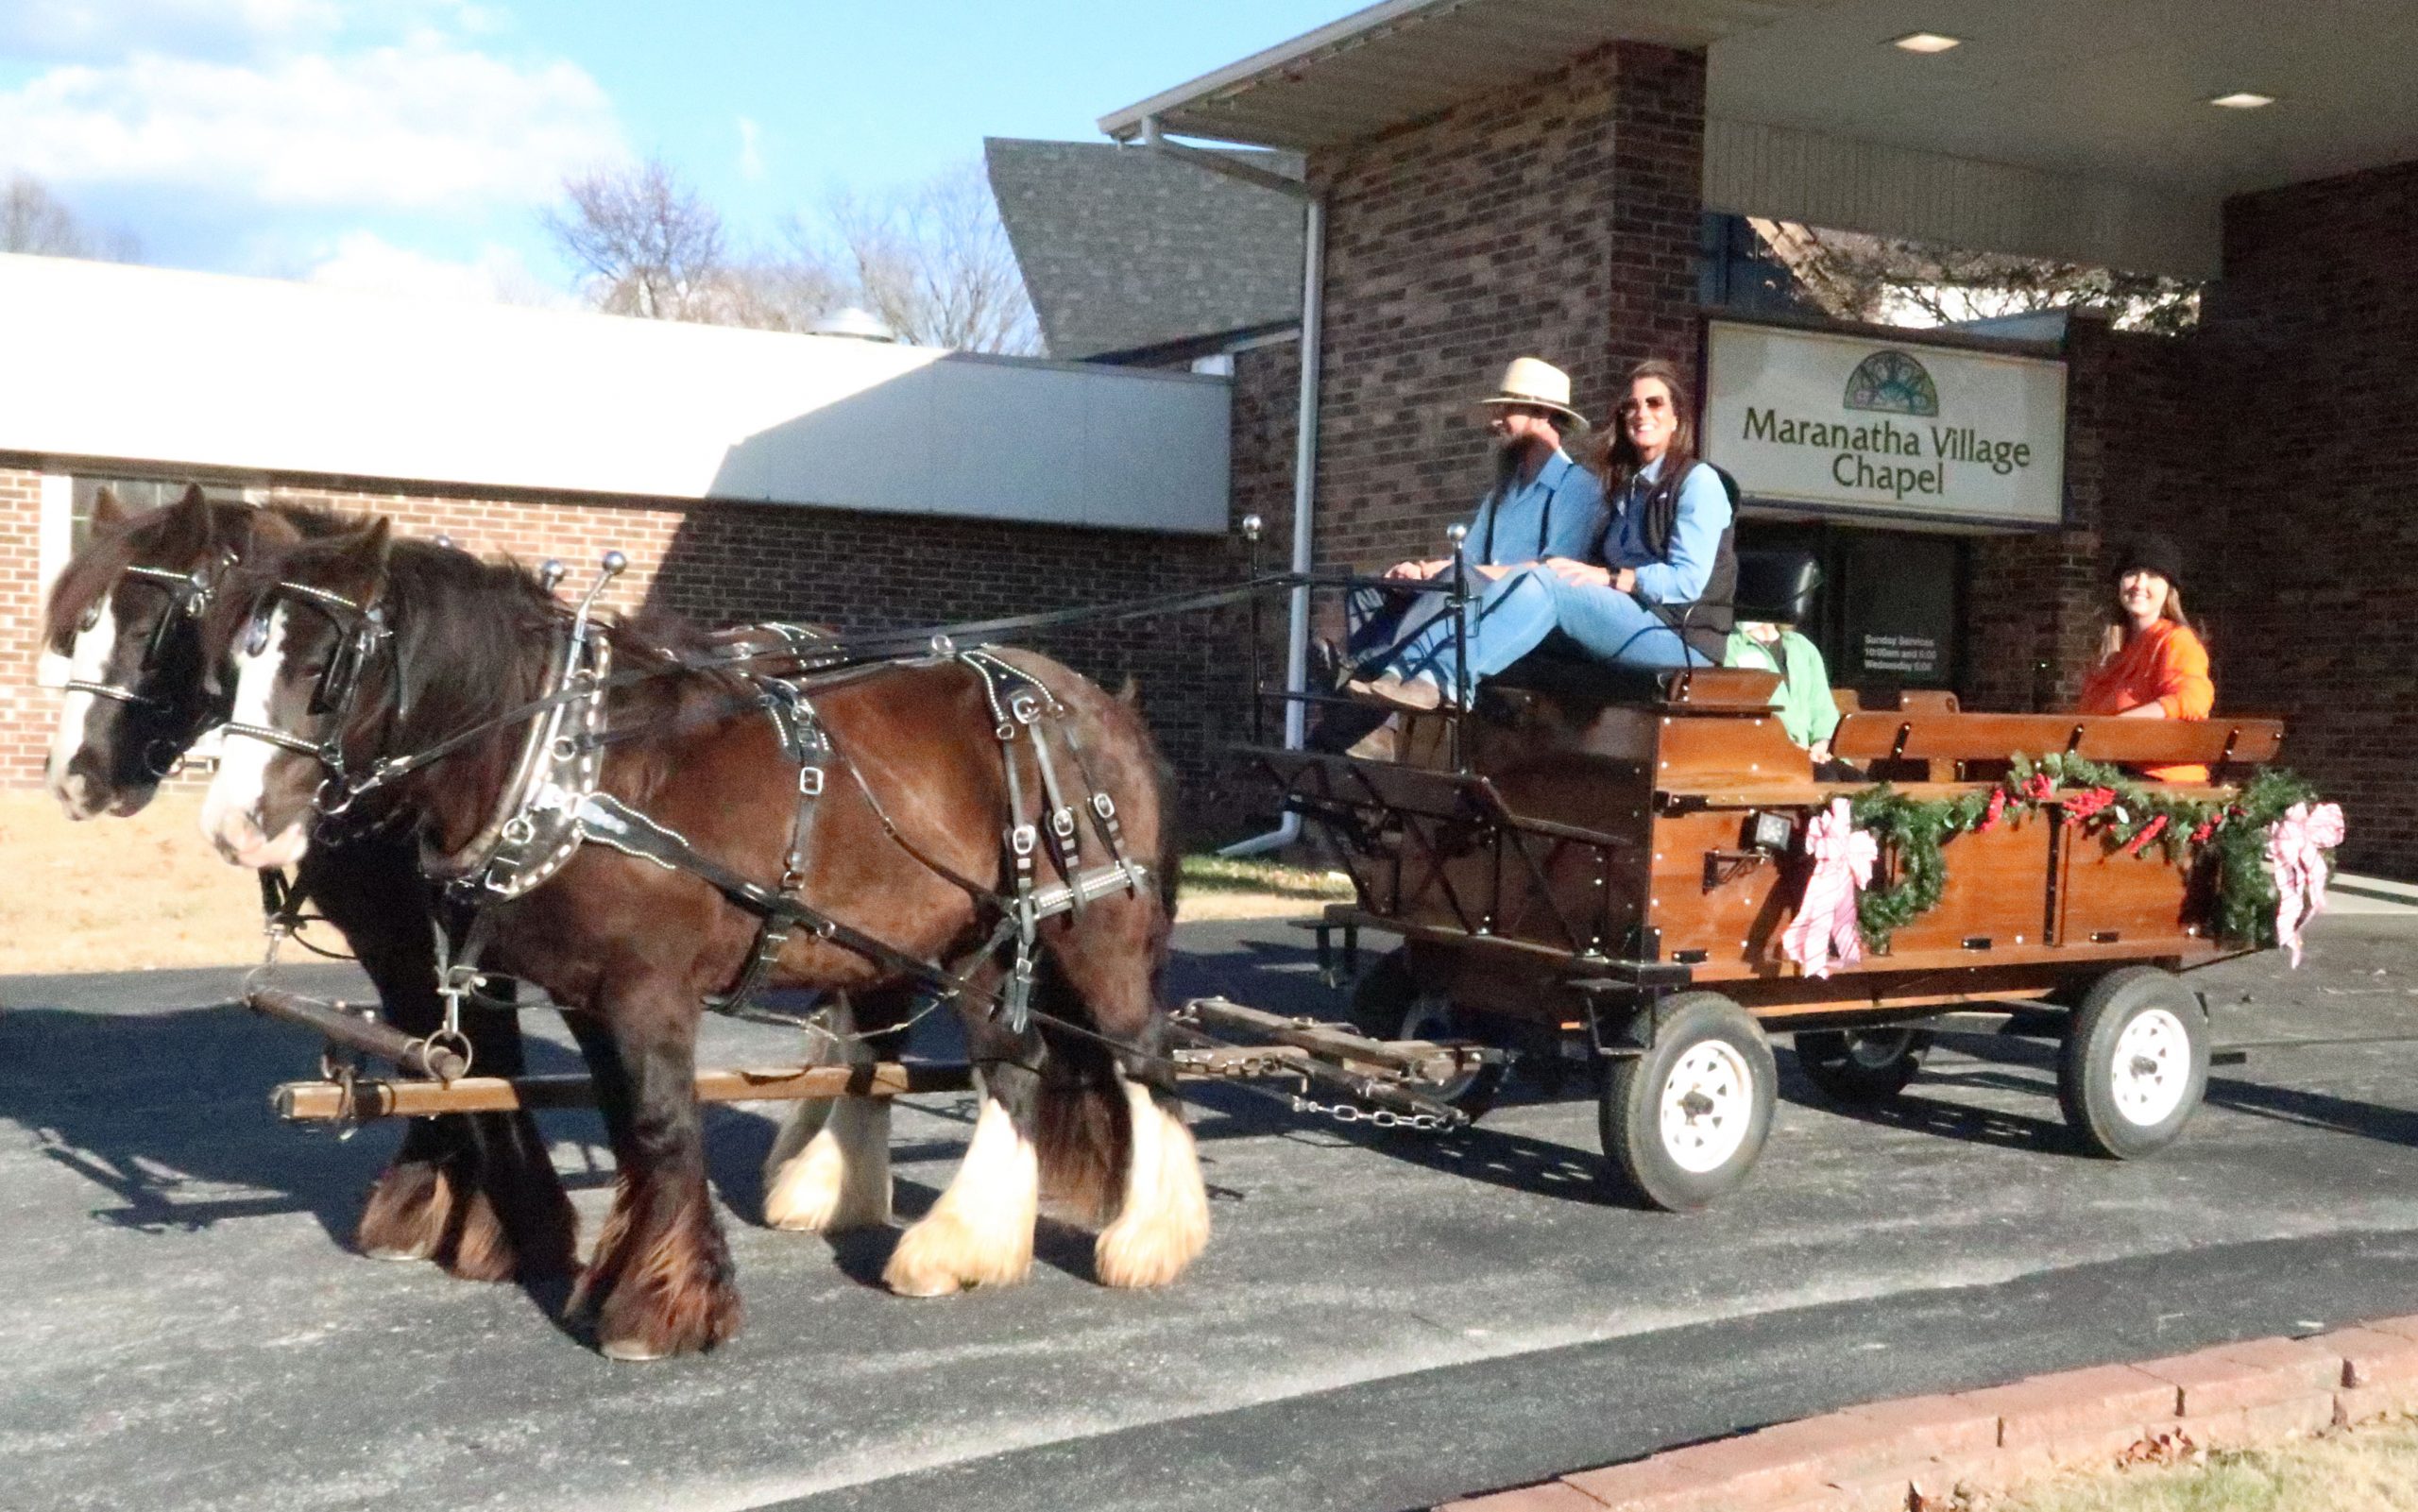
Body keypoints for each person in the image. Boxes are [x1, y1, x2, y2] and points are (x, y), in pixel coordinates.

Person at [1351, 357, 1736, 709]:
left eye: (1654, 404)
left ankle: (1444, 679)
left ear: (1676, 417)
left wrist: (1607, 577)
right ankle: (1401, 671)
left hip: (1680, 636)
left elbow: (1686, 582)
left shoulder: (1698, 482)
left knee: (1547, 581)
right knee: (1492, 589)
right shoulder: (1625, 488)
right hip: (1628, 617)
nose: (1641, 414)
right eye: (1631, 406)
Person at [1342, 356, 1608, 669]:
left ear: (1542, 414)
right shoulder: (1500, 495)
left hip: (1527, 617)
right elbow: (1467, 560)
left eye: (1507, 410)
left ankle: (1373, 668)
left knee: (1460, 582)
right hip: (1479, 597)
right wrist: (1421, 571)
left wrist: (1470, 574)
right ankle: (1356, 671)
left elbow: (1556, 572)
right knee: (1373, 587)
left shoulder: (1576, 487)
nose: (1496, 422)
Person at [2077, 534, 2214, 782]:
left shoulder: (2176, 640)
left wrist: (2119, 724)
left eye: (2153, 576)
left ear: (2169, 589)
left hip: (2159, 780)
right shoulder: (2111, 652)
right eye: (2132, 574)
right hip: (2113, 774)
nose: (2140, 584)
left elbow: (2194, 699)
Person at [1726, 619, 1841, 766]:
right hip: (1769, 757)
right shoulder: (1732, 646)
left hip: (1816, 754)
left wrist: (1822, 743)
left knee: (1852, 777)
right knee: (1825, 776)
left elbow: (1822, 706)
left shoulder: (1801, 646)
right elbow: (1738, 716)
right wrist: (1790, 747)